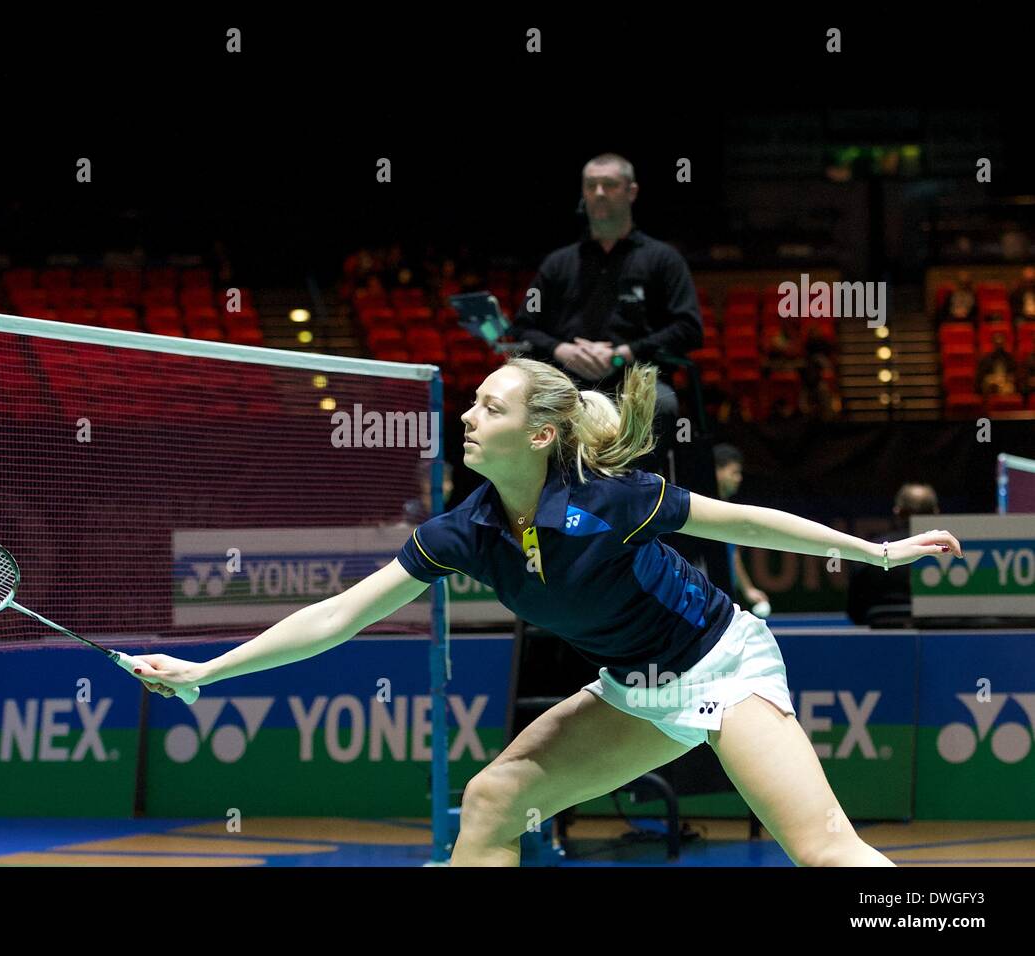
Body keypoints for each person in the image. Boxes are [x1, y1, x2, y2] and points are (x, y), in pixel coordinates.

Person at [125, 358, 962, 867]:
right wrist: (209, 670)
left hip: (721, 666)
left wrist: (880, 553)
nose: (468, 414)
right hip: (631, 690)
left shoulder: (612, 498)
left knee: (822, 850)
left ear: (538, 436)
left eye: (491, 406)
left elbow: (745, 521)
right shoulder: (466, 532)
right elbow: (339, 615)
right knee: (493, 801)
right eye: (474, 402)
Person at [509, 153, 703, 472]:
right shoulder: (558, 264)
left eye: (610, 185)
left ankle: (642, 504)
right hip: (565, 379)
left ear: (632, 192)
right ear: (583, 193)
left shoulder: (663, 260)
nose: (599, 192)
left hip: (636, 378)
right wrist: (563, 349)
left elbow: (689, 328)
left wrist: (625, 353)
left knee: (663, 405)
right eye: (591, 185)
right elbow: (522, 328)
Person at [846, 483, 940, 626]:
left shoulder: (872, 552)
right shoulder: (952, 553)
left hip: (880, 639)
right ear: (935, 512)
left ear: (898, 512)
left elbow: (855, 610)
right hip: (940, 639)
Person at [713, 444, 770, 615]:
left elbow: (732, 553)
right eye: (734, 472)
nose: (739, 478)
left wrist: (748, 589)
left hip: (724, 596)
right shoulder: (702, 510)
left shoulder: (727, 509)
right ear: (717, 471)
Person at [975, 331, 1019, 396]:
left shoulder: (1010, 359)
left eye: (1001, 344)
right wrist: (991, 379)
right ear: (993, 344)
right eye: (997, 344)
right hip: (991, 385)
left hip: (1006, 384)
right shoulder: (986, 359)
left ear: (1004, 344)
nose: (999, 346)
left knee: (1008, 388)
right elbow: (980, 377)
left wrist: (1006, 379)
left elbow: (1015, 375)